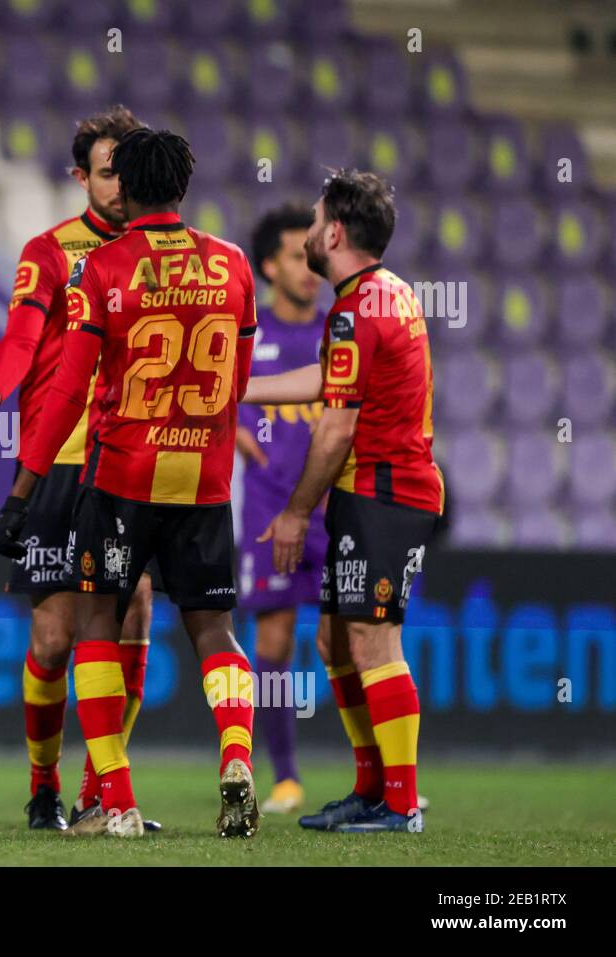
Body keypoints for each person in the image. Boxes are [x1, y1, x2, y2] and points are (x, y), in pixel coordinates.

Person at [0, 128, 260, 839]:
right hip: (204, 481)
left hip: (120, 477)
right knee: (215, 630)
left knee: (95, 627)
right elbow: (236, 380)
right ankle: (236, 755)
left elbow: (67, 393)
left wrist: (22, 494)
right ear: (182, 185)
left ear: (128, 186)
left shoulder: (102, 269)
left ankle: (115, 799)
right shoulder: (233, 264)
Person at [0, 106, 157, 832]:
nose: (121, 184)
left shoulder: (159, 254)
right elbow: (19, 339)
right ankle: (43, 785)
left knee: (133, 612)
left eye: (130, 171)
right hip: (59, 462)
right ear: (81, 177)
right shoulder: (50, 251)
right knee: (52, 637)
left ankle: (102, 791)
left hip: (131, 462)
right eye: (109, 172)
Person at [247, 169, 443, 833]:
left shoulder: (359, 309)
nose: (306, 232)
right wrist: (239, 390)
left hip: (386, 489)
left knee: (372, 641)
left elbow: (336, 423)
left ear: (332, 232)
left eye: (312, 219)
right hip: (374, 490)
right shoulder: (379, 297)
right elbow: (323, 380)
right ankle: (371, 788)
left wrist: (297, 512)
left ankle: (401, 800)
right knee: (335, 638)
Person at [235, 204, 326, 814]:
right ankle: (286, 778)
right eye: (299, 255)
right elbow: (227, 412)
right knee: (274, 640)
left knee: (349, 642)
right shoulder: (251, 335)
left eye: (315, 255)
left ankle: (381, 779)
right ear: (269, 266)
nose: (311, 267)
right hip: (270, 512)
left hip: (337, 510)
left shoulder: (337, 329)